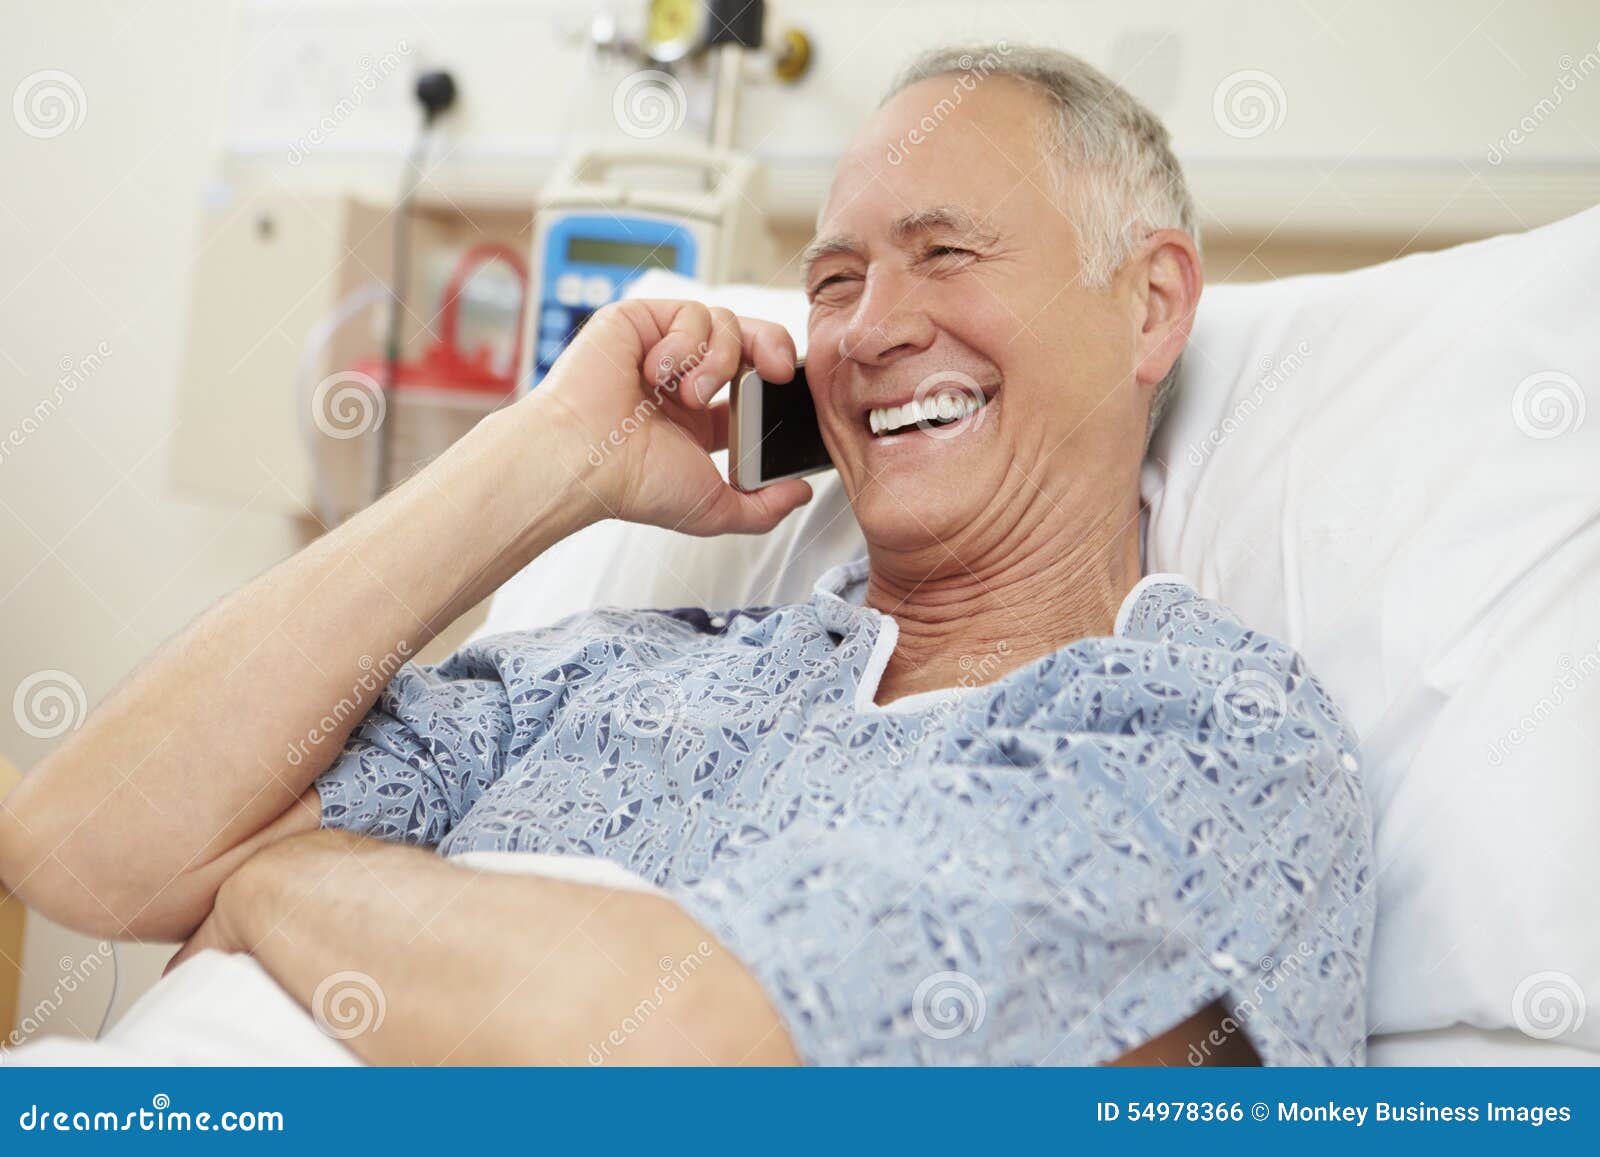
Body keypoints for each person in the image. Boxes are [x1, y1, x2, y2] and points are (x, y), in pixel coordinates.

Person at [0, 44, 1372, 1066]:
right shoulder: (608, 675)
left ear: (1150, 304)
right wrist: (542, 461)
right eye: (833, 281)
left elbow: (692, 1048)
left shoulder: (1205, 738)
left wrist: (273, 880)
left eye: (946, 253)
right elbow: (81, 848)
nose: (869, 330)